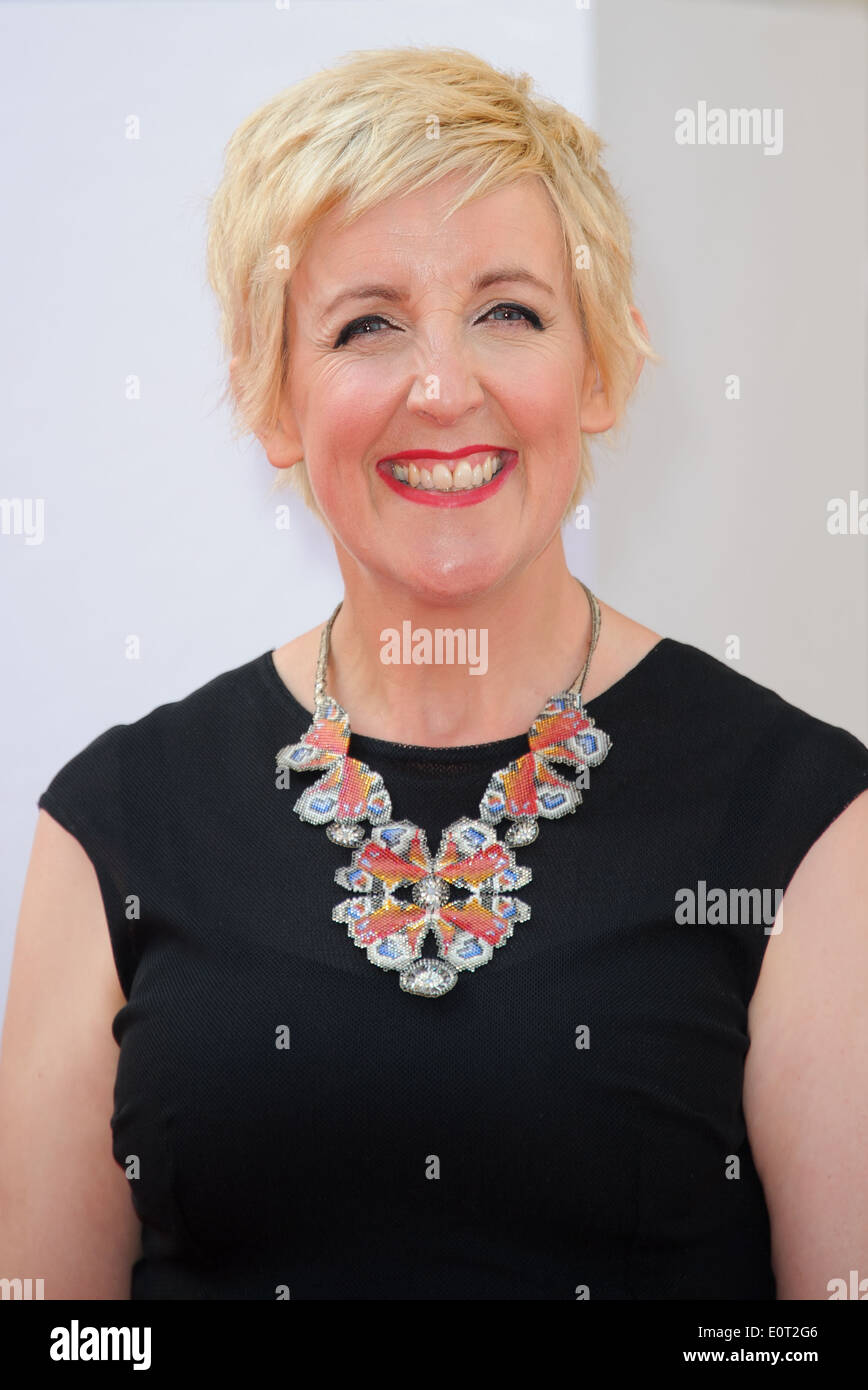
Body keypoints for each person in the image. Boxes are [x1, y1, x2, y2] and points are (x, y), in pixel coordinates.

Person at [2, 45, 867, 1301]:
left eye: (508, 311)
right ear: (274, 400)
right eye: (366, 325)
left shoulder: (808, 820)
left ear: (603, 366)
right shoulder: (115, 825)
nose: (443, 387)